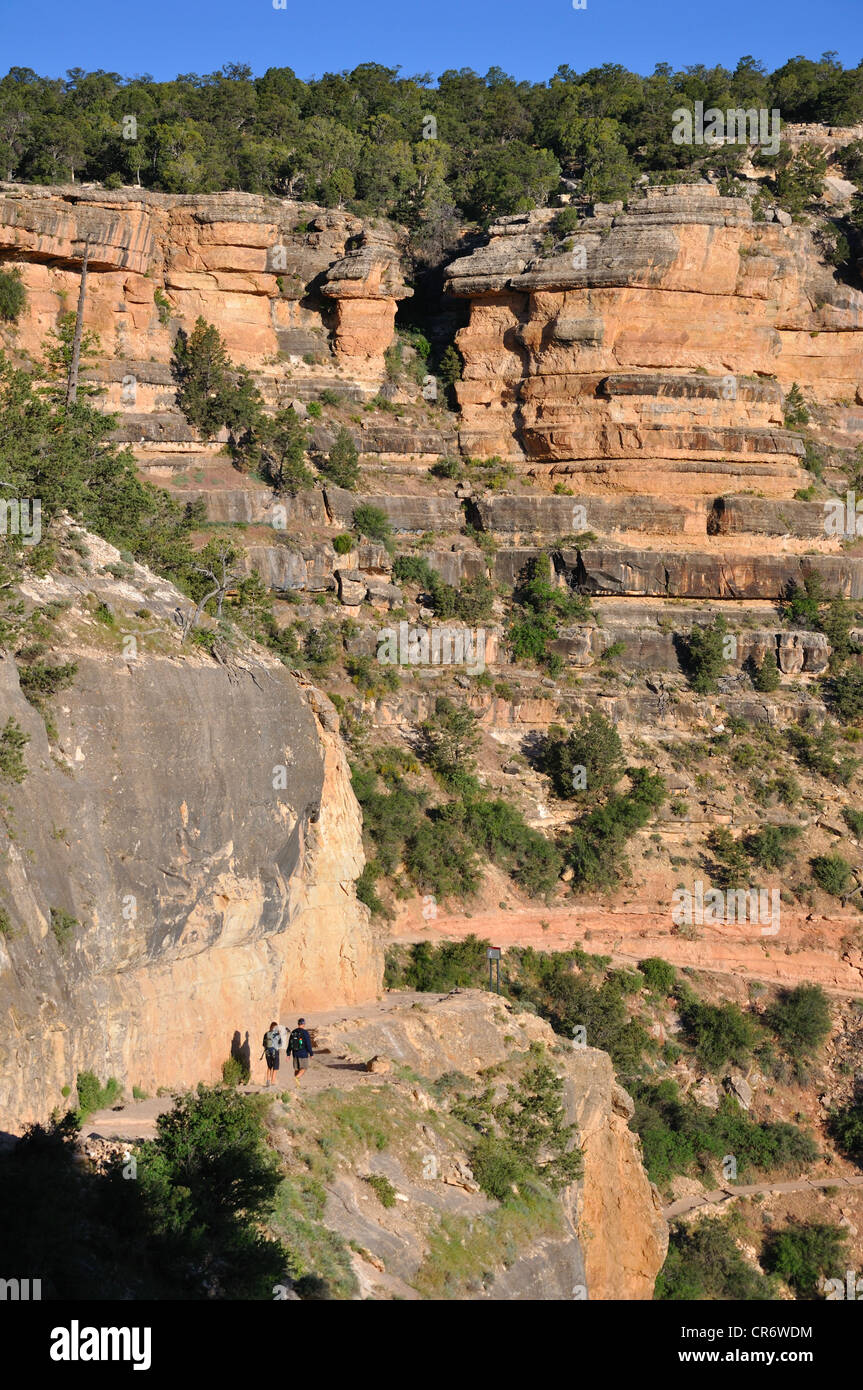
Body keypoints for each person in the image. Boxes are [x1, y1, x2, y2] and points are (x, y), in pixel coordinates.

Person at [288, 1017, 314, 1084]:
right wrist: (311, 1053)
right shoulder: (305, 1032)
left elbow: (290, 1043)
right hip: (303, 1054)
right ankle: (296, 1078)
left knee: (296, 1069)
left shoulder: (293, 1032)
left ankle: (296, 1083)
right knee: (304, 1068)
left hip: (295, 1053)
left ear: (298, 1024)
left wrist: (288, 1054)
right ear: (303, 1024)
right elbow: (308, 1044)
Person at [262, 1020, 282, 1088]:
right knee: (275, 1067)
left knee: (269, 1066)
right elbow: (280, 1044)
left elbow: (263, 1044)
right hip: (275, 1051)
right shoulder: (277, 1034)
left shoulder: (266, 1034)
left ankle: (268, 1080)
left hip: (267, 1052)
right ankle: (273, 1081)